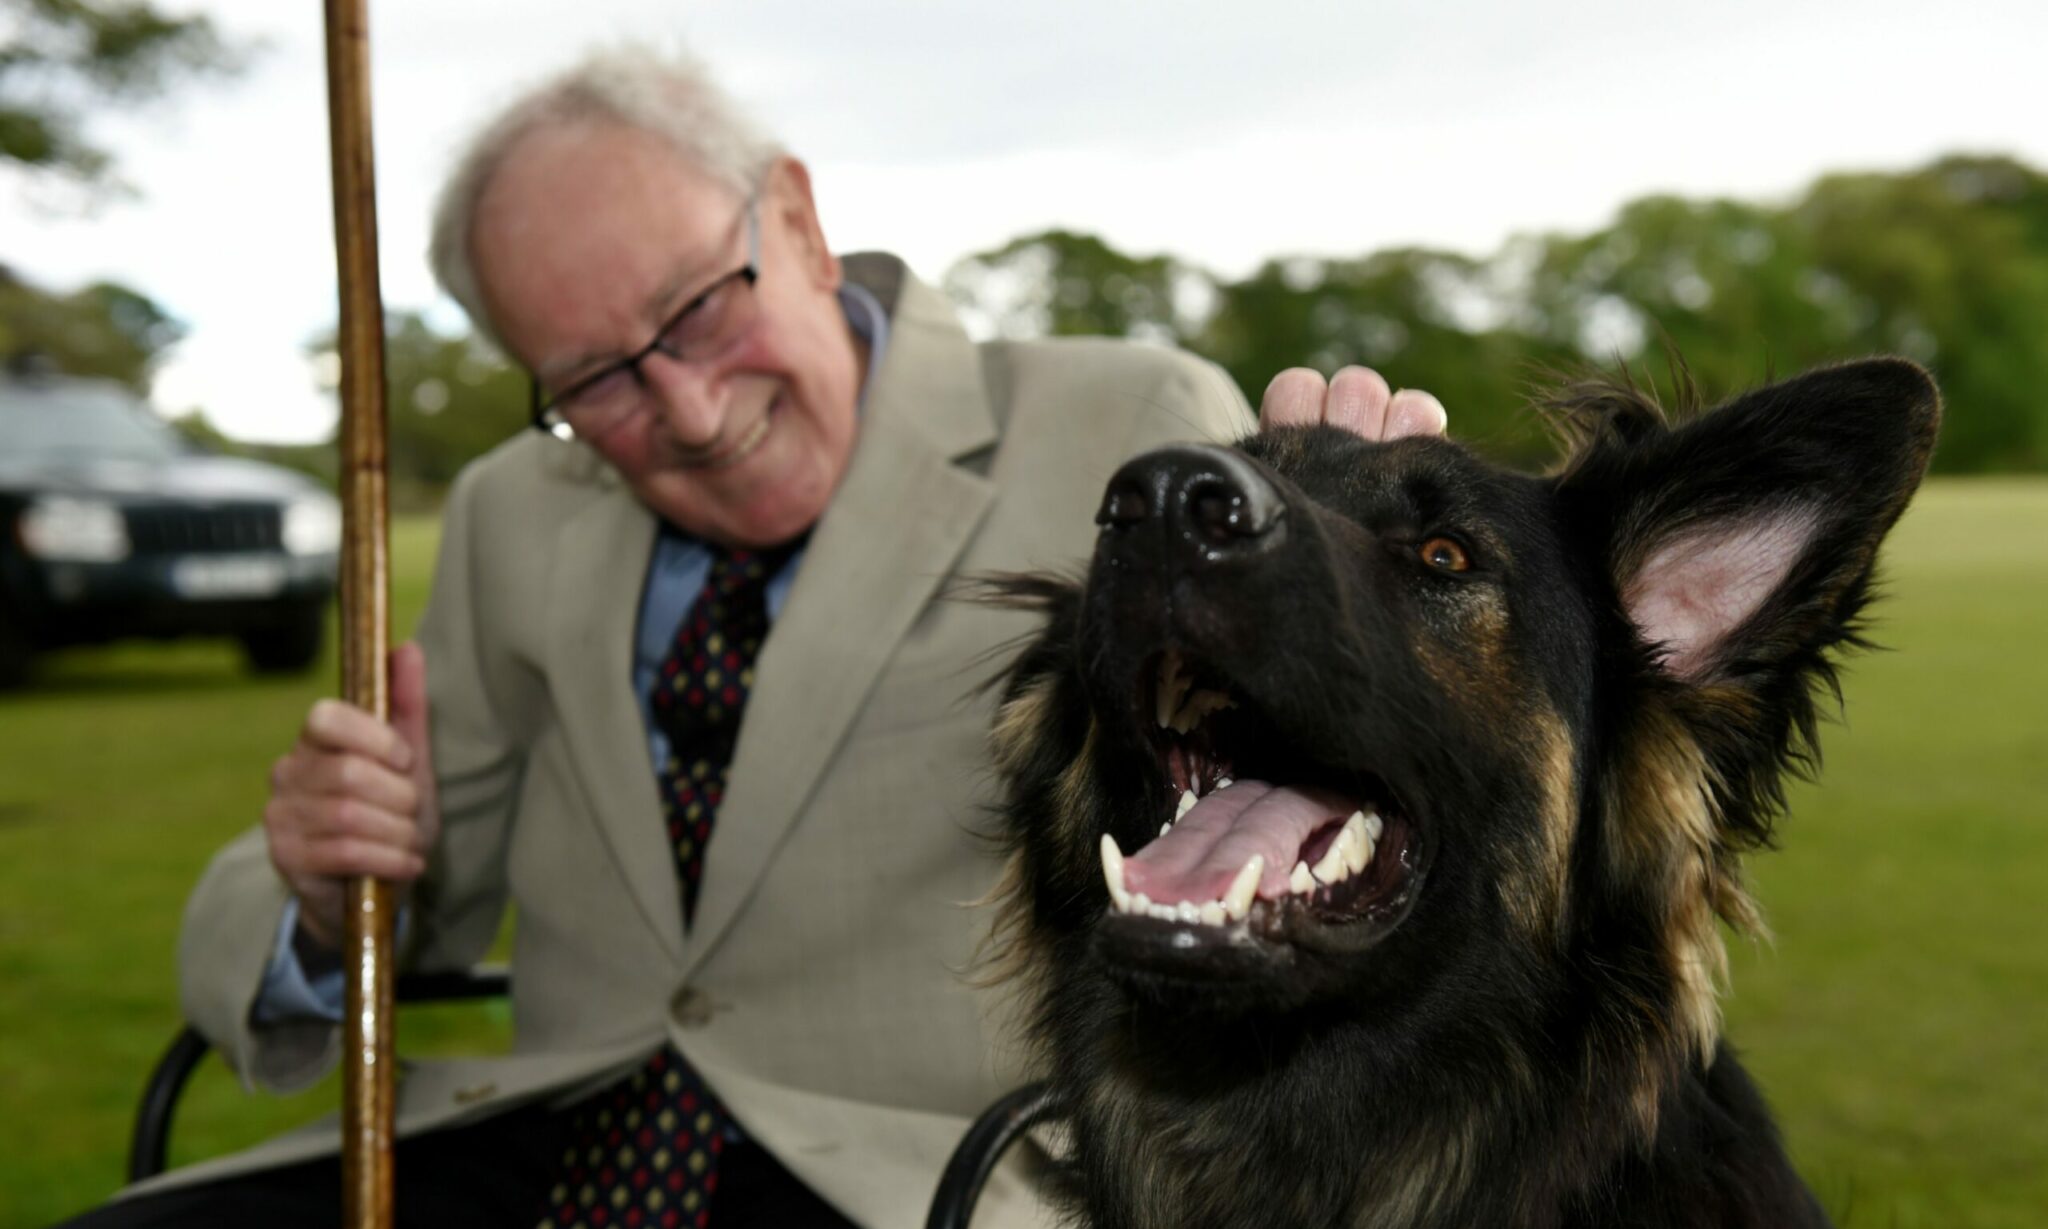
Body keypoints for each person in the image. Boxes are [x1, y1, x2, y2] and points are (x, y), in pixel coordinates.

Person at [69, 45, 1446, 1229]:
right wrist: (323, 891)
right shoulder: (506, 514)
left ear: (796, 219)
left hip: (930, 1177)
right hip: (534, 1149)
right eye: (594, 379)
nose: (686, 408)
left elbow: (1300, 787)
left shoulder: (1125, 426)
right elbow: (398, 876)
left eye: (695, 311)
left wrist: (1350, 584)